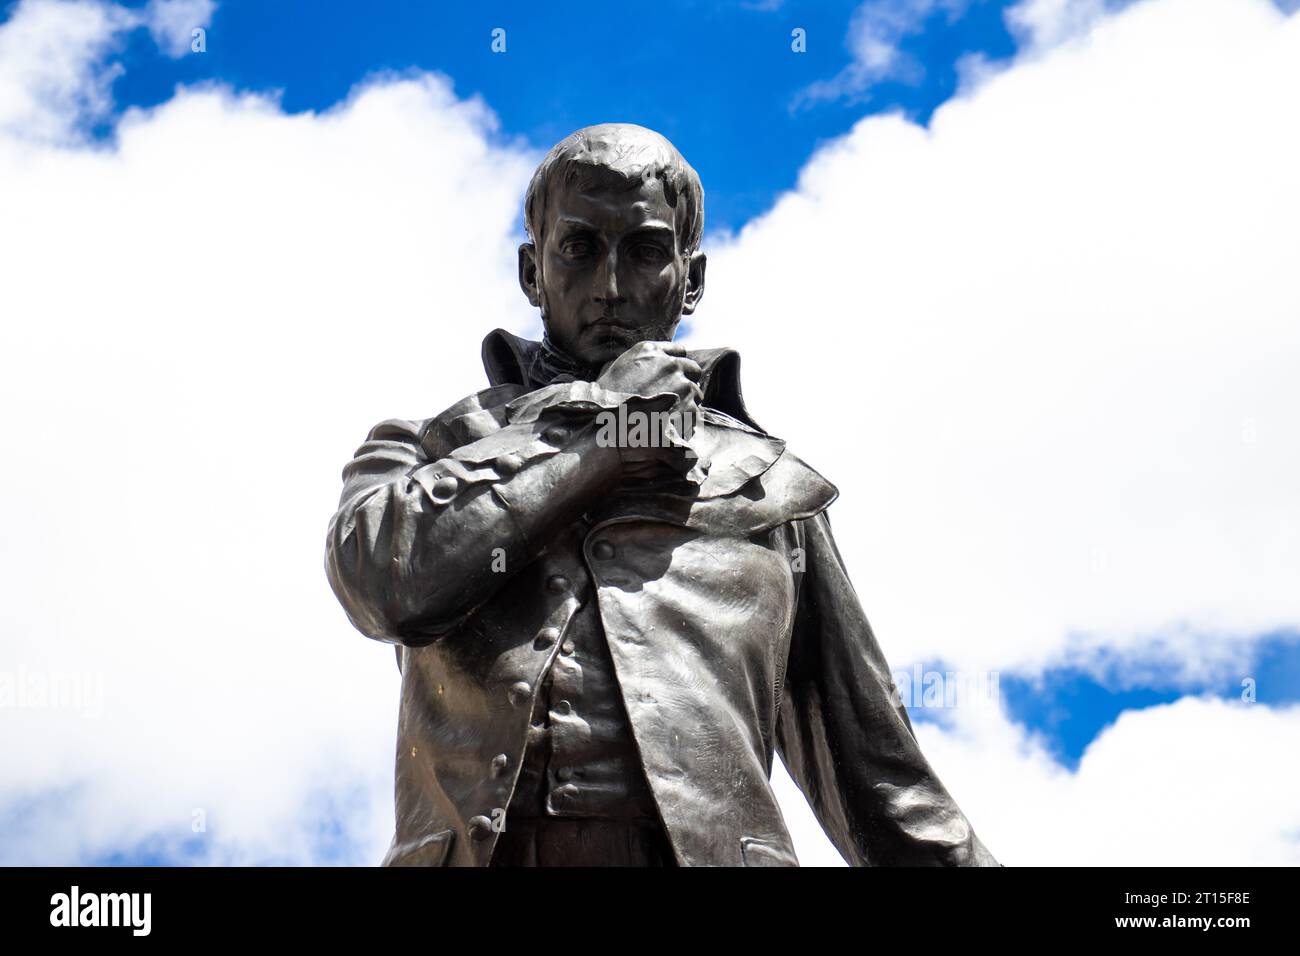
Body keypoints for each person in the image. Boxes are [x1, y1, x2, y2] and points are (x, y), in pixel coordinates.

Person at [325, 123, 999, 867]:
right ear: (531, 271)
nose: (611, 288)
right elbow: (383, 586)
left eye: (645, 251)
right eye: (579, 248)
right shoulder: (428, 446)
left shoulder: (773, 491)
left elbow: (882, 785)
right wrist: (599, 436)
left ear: (691, 277)